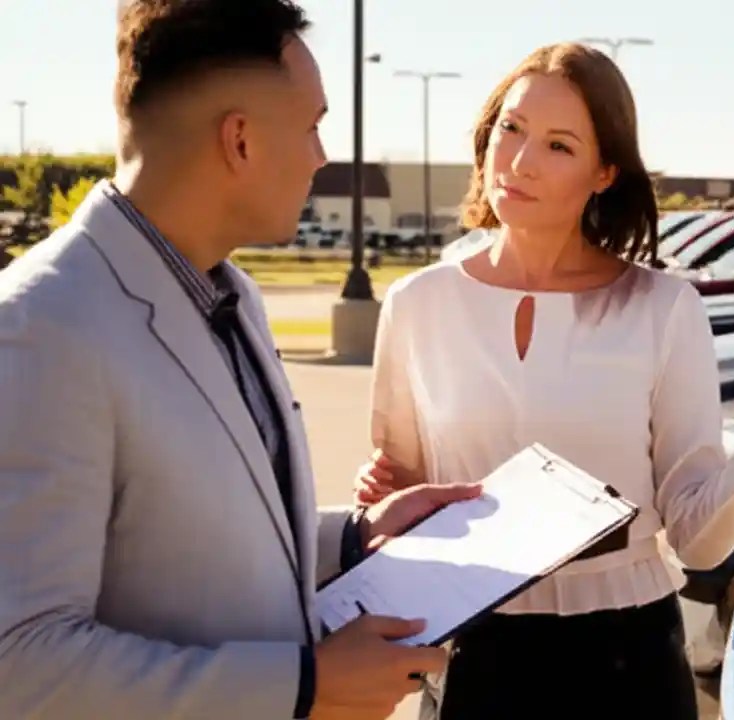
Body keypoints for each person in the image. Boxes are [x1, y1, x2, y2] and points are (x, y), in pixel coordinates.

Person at [352, 42, 734, 720]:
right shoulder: (416, 305)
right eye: (510, 129)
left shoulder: (663, 309)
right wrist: (381, 502)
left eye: (558, 145)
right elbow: (402, 491)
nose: (518, 161)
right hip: (472, 657)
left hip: (625, 656)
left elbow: (695, 535)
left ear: (604, 172)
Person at [0, 2, 481, 718]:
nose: (322, 156)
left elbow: (198, 538)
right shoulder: (40, 325)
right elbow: (21, 661)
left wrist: (355, 536)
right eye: (314, 125)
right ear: (241, 140)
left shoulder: (232, 295)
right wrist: (304, 686)